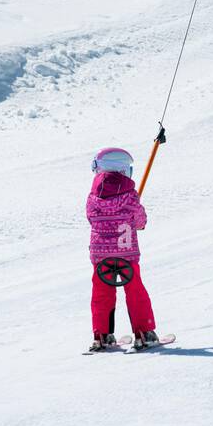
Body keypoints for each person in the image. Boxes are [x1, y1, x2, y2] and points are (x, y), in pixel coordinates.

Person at [86, 147, 159, 351]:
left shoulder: (93, 197)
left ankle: (101, 336)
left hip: (101, 256)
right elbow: (140, 220)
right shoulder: (130, 196)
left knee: (101, 293)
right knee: (135, 290)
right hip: (126, 254)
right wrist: (138, 223)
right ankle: (144, 333)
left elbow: (91, 218)